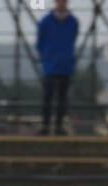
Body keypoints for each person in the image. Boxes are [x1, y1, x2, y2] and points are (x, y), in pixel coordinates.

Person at [37, 0, 79, 136]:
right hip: (52, 64)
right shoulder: (47, 22)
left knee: (62, 98)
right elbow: (40, 43)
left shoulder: (72, 22)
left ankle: (58, 126)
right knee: (48, 97)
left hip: (64, 65)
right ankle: (46, 125)